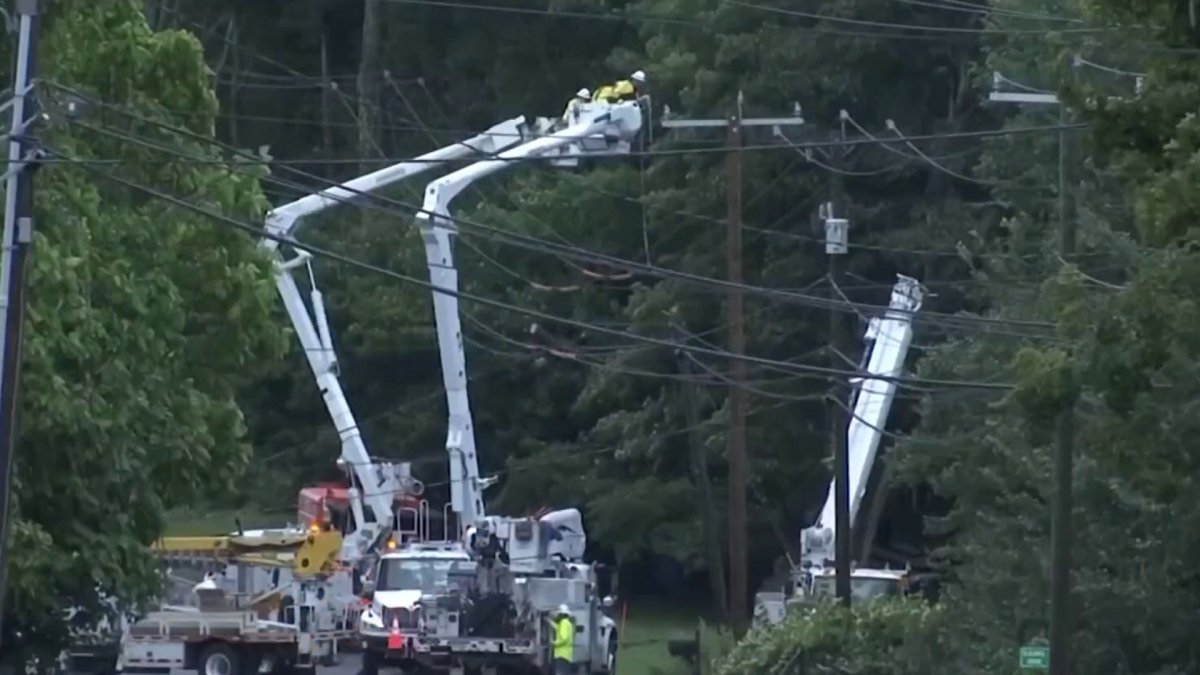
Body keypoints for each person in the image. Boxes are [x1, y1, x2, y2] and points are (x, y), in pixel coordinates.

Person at [552, 604, 575, 675]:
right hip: (567, 655)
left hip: (561, 655)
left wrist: (554, 643)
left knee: (560, 673)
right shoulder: (568, 624)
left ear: (561, 614)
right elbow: (558, 628)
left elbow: (563, 638)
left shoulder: (563, 623)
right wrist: (549, 622)